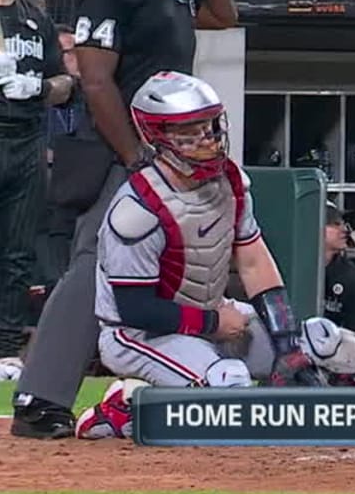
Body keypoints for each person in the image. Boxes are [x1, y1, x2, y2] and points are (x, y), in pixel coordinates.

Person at [10, 0, 237, 440]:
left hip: (165, 148)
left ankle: (143, 379)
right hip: (122, 149)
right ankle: (40, 398)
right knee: (95, 265)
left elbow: (222, 17)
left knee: (144, 266)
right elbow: (94, 79)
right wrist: (136, 157)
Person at [70, 71, 321, 439]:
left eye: (208, 127)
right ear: (157, 137)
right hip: (138, 335)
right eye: (189, 133)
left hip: (212, 315)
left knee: (320, 346)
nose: (206, 140)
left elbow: (254, 263)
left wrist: (287, 345)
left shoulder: (231, 182)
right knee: (229, 385)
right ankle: (129, 406)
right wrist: (212, 323)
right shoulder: (137, 209)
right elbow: (135, 309)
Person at [0, 0, 73, 362]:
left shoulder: (34, 16)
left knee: (19, 251)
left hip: (26, 138)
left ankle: (5, 349)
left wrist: (40, 88)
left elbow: (64, 81)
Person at [321, 201, 355, 336]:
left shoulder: (350, 274)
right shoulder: (294, 268)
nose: (344, 230)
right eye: (335, 224)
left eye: (343, 223)